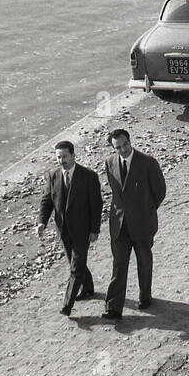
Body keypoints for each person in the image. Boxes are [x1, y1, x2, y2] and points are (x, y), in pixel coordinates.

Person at [103, 129, 167, 319]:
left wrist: (146, 210)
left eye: (125, 144)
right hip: (119, 225)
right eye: (118, 147)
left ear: (130, 141)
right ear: (113, 148)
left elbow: (160, 191)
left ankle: (145, 297)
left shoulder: (147, 162)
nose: (123, 149)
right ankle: (113, 308)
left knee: (144, 262)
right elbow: (116, 193)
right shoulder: (110, 163)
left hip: (142, 224)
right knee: (119, 265)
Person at [39, 141, 104, 316]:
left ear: (74, 155)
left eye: (65, 156)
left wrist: (94, 230)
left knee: (75, 268)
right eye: (58, 157)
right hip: (63, 230)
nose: (62, 161)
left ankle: (67, 305)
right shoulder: (52, 176)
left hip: (83, 231)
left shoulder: (89, 176)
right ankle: (89, 288)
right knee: (75, 263)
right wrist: (41, 222)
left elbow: (96, 205)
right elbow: (47, 200)